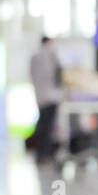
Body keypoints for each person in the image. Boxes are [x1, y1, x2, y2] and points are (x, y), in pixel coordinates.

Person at [29, 35, 64, 164]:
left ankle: (41, 153)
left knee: (42, 125)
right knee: (48, 127)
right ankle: (46, 154)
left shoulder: (35, 56)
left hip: (40, 95)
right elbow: (60, 72)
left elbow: (32, 75)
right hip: (52, 95)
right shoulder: (52, 53)